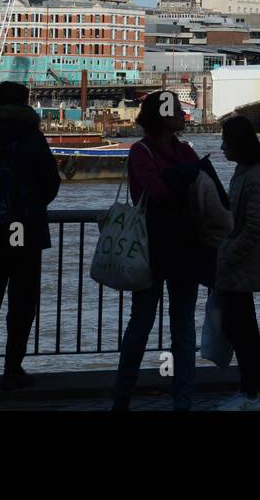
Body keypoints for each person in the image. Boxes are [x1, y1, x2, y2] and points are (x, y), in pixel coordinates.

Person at [0, 81, 61, 392]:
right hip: (26, 229)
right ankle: (12, 368)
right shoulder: (32, 137)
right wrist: (31, 204)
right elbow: (50, 182)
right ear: (25, 102)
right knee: (22, 301)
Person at [112, 91, 205, 411]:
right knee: (182, 327)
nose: (183, 115)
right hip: (182, 246)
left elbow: (156, 192)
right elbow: (188, 191)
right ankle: (183, 399)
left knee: (141, 321)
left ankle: (122, 395)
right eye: (178, 111)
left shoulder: (141, 153)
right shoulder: (186, 154)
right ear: (165, 118)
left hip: (150, 245)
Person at [213, 115, 260, 410]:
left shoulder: (252, 177)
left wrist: (229, 255)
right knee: (242, 328)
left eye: (226, 141)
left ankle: (251, 392)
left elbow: (254, 225)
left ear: (238, 144)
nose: (222, 146)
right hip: (239, 264)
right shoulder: (245, 172)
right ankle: (249, 390)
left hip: (241, 265)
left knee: (244, 330)